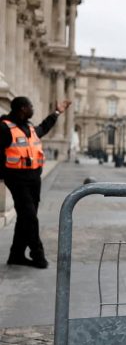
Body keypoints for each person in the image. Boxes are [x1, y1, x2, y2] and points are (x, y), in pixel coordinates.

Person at [2, 97, 70, 269]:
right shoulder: (4, 127)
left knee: (25, 218)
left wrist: (57, 112)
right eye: (31, 106)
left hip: (33, 179)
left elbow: (44, 127)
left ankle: (16, 255)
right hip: (17, 179)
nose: (33, 108)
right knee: (30, 217)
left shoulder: (29, 127)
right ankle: (37, 254)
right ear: (23, 109)